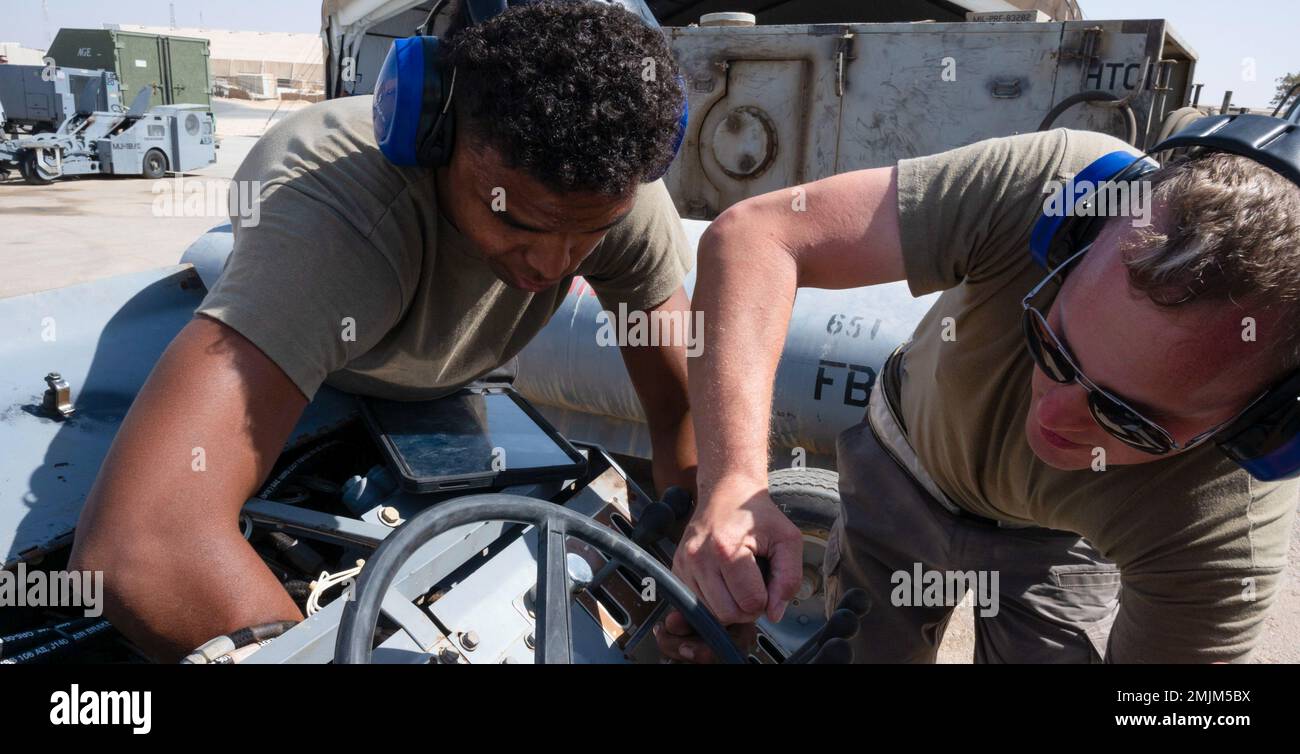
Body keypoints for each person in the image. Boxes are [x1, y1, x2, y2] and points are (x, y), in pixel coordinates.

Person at [70, 0, 697, 662]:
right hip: (328, 310)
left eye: (589, 234)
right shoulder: (341, 228)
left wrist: (704, 564)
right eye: (521, 223)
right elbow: (141, 542)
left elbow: (678, 410)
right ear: (434, 136)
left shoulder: (608, 192)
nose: (553, 265)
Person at [664, 124, 1300, 663]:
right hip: (901, 471)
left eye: (1128, 418)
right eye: (1051, 345)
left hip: (1061, 543)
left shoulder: (1222, 539)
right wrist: (732, 487)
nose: (1051, 414)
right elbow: (757, 237)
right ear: (1074, 242)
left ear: (1260, 430)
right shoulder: (1061, 187)